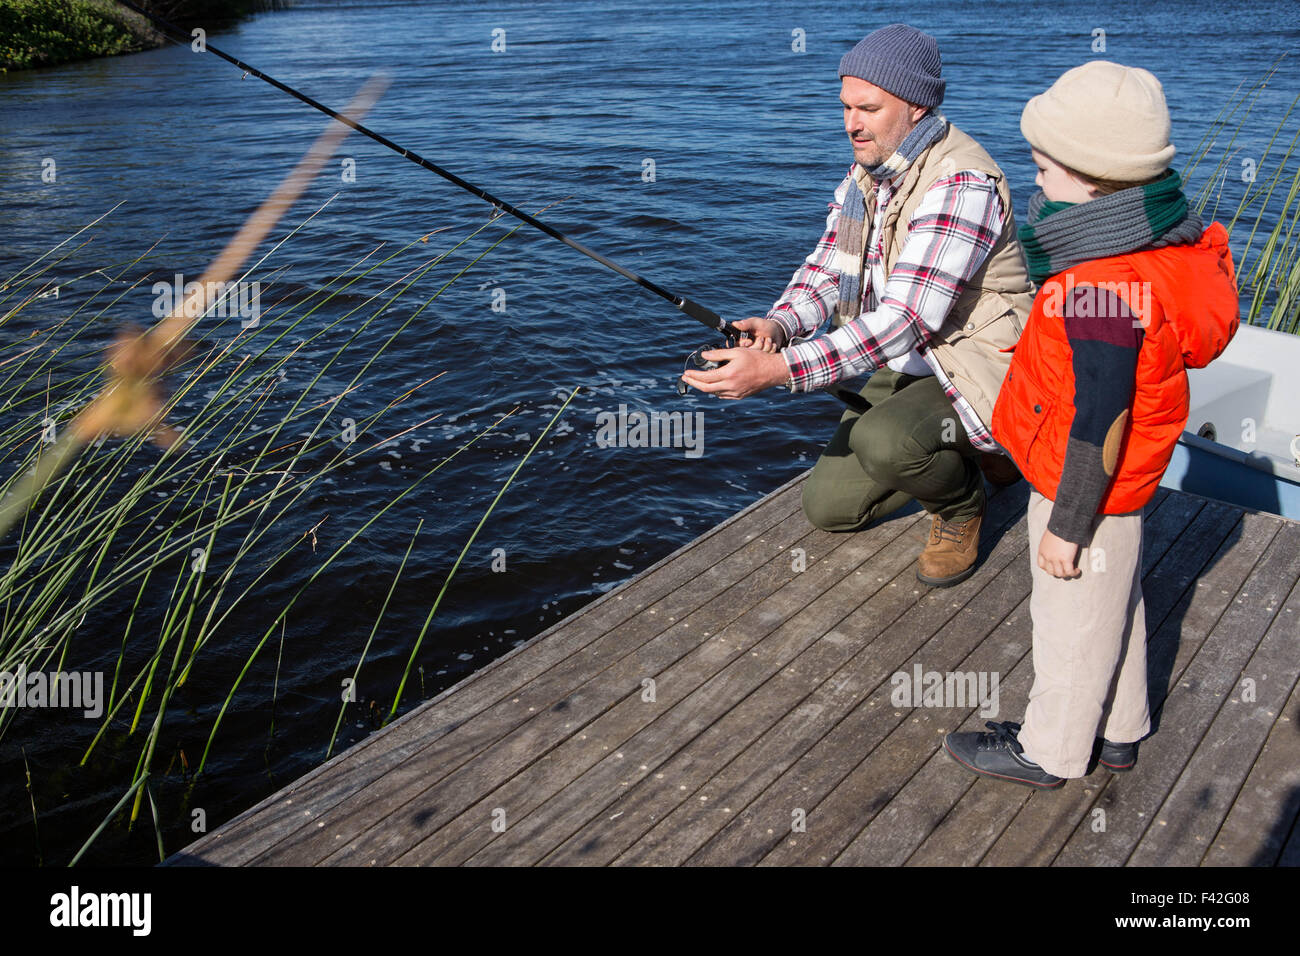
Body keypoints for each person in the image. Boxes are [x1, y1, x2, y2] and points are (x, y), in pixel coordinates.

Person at [943, 60, 1239, 787]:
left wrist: (1068, 525)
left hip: (1088, 484)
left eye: (1045, 166)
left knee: (1069, 621)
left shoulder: (1100, 288)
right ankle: (1119, 730)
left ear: (1092, 177)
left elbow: (1101, 418)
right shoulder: (1153, 247)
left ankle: (1050, 750)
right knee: (1116, 601)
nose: (1035, 179)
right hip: (1121, 485)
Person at [681, 23, 1033, 587]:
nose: (851, 124)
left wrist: (779, 369)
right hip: (911, 362)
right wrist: (778, 324)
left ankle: (962, 507)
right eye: (845, 107)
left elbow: (904, 320)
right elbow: (827, 268)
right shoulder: (869, 173)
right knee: (831, 510)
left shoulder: (962, 182)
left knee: (885, 441)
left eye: (867, 108)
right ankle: (971, 452)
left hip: (980, 361)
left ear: (916, 106)